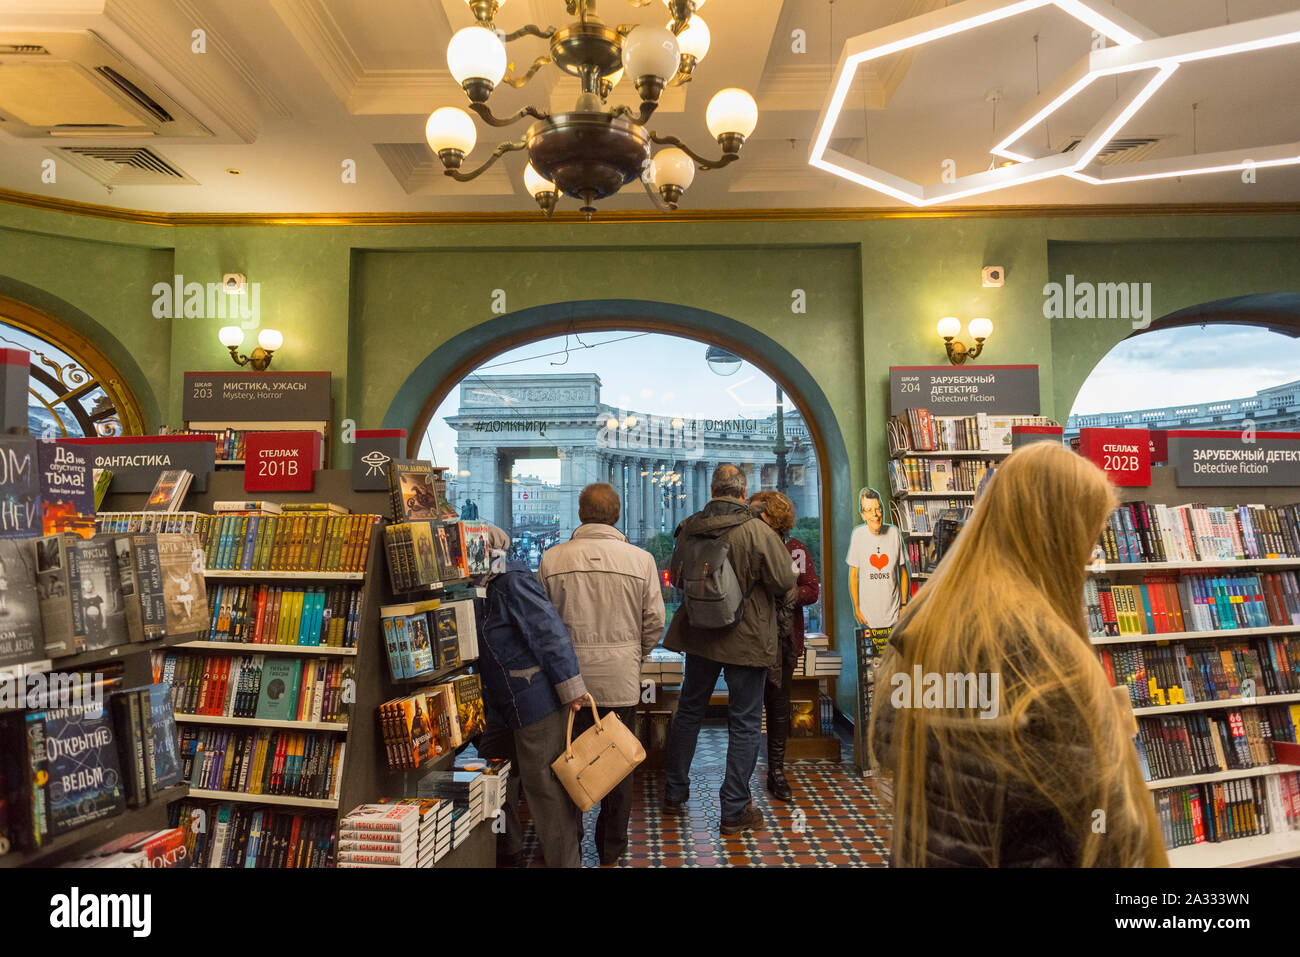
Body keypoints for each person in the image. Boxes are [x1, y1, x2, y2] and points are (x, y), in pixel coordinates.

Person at [868, 442, 1169, 867]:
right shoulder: (1045, 651)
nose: (1091, 552)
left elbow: (887, 743)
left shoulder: (927, 618)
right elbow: (1102, 826)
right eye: (1090, 533)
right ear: (1059, 533)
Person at [662, 464, 797, 835]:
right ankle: (734, 810)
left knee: (689, 712)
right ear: (743, 491)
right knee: (745, 722)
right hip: (747, 636)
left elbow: (674, 576)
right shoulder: (756, 530)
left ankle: (674, 794)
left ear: (711, 489)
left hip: (699, 634)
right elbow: (785, 579)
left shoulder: (689, 527)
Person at [538, 482, 666, 866]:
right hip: (620, 680)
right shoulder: (640, 560)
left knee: (568, 762)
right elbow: (655, 620)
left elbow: (542, 626)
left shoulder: (551, 559)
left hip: (565, 682)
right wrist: (634, 654)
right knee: (617, 765)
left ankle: (570, 844)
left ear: (580, 514)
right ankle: (611, 850)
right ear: (617, 516)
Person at [472, 524, 589, 868]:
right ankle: (507, 848)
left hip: (532, 700)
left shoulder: (511, 580)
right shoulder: (475, 586)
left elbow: (549, 633)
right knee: (492, 773)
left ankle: (564, 862)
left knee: (545, 789)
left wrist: (572, 688)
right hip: (500, 702)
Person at [748, 489, 820, 803]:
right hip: (750, 640)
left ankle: (777, 772)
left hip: (785, 640)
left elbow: (812, 590)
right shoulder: (748, 546)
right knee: (748, 712)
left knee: (779, 710)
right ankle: (743, 779)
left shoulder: (796, 550)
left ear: (773, 518)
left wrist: (787, 596)